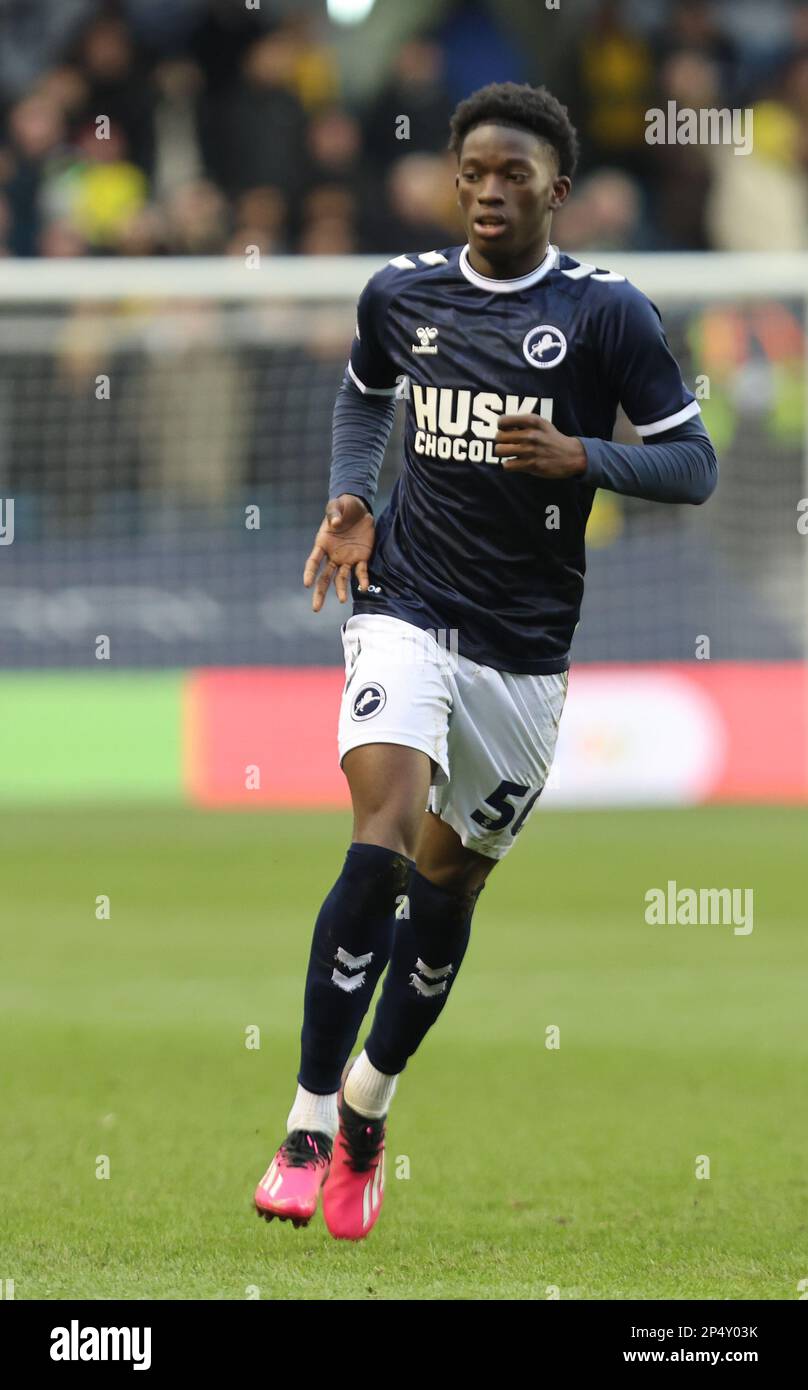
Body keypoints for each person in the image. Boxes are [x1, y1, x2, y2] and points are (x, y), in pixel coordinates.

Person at [253, 81, 718, 1240]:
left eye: (513, 175)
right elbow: (364, 394)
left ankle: (370, 1103)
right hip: (404, 607)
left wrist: (584, 457)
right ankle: (308, 1121)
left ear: (555, 190)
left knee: (446, 887)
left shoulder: (609, 317)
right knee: (380, 835)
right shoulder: (400, 293)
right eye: (472, 173)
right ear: (452, 180)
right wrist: (352, 495)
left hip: (523, 651)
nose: (488, 192)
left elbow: (694, 464)